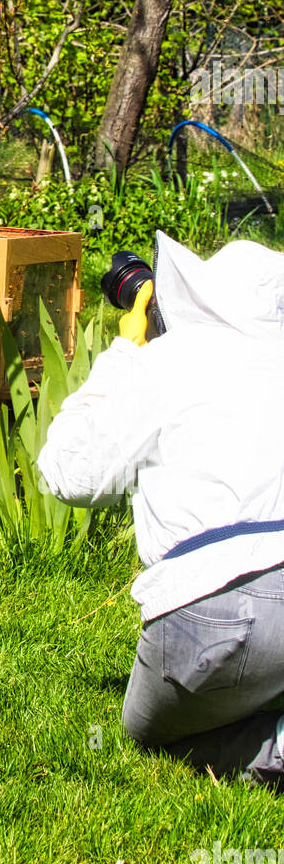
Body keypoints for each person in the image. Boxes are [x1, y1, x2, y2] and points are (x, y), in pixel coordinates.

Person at [38, 230, 284, 787]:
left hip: (220, 610)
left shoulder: (170, 362)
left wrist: (125, 352)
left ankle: (266, 747)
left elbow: (69, 473)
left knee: (147, 732)